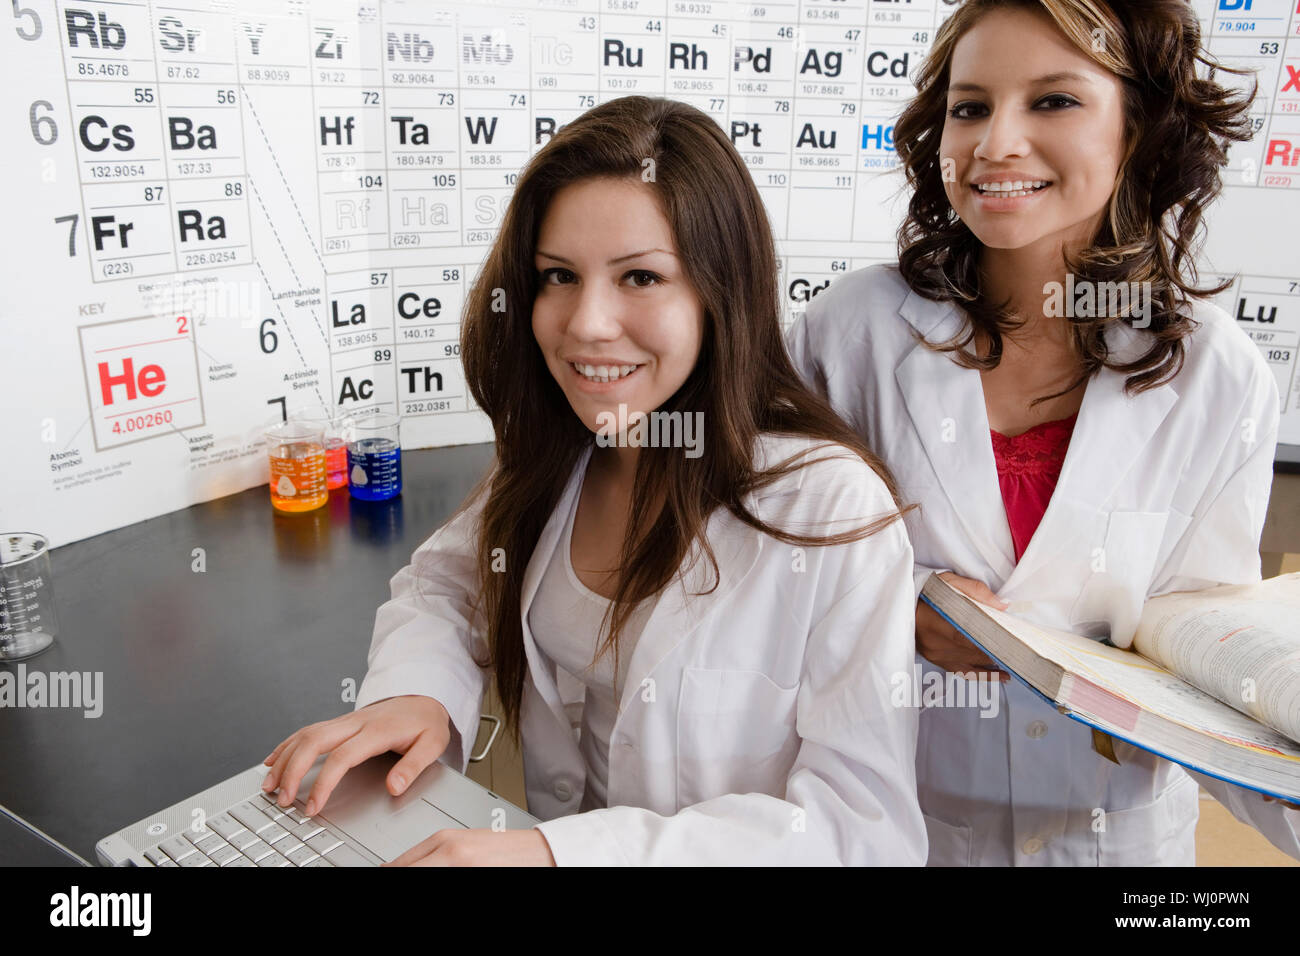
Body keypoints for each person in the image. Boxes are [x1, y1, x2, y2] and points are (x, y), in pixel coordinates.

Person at [261, 95, 927, 865]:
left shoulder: (829, 507)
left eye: (641, 277)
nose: (586, 324)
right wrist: (417, 692)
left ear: (722, 293)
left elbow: (863, 834)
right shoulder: (559, 456)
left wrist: (558, 858)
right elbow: (445, 585)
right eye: (558, 276)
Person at [787, 0, 1300, 864]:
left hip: (1113, 837)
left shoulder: (1219, 373)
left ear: (1137, 128)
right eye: (971, 107)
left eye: (1053, 101)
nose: (995, 145)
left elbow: (1198, 637)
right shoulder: (853, 334)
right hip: (896, 822)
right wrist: (906, 605)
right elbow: (772, 571)